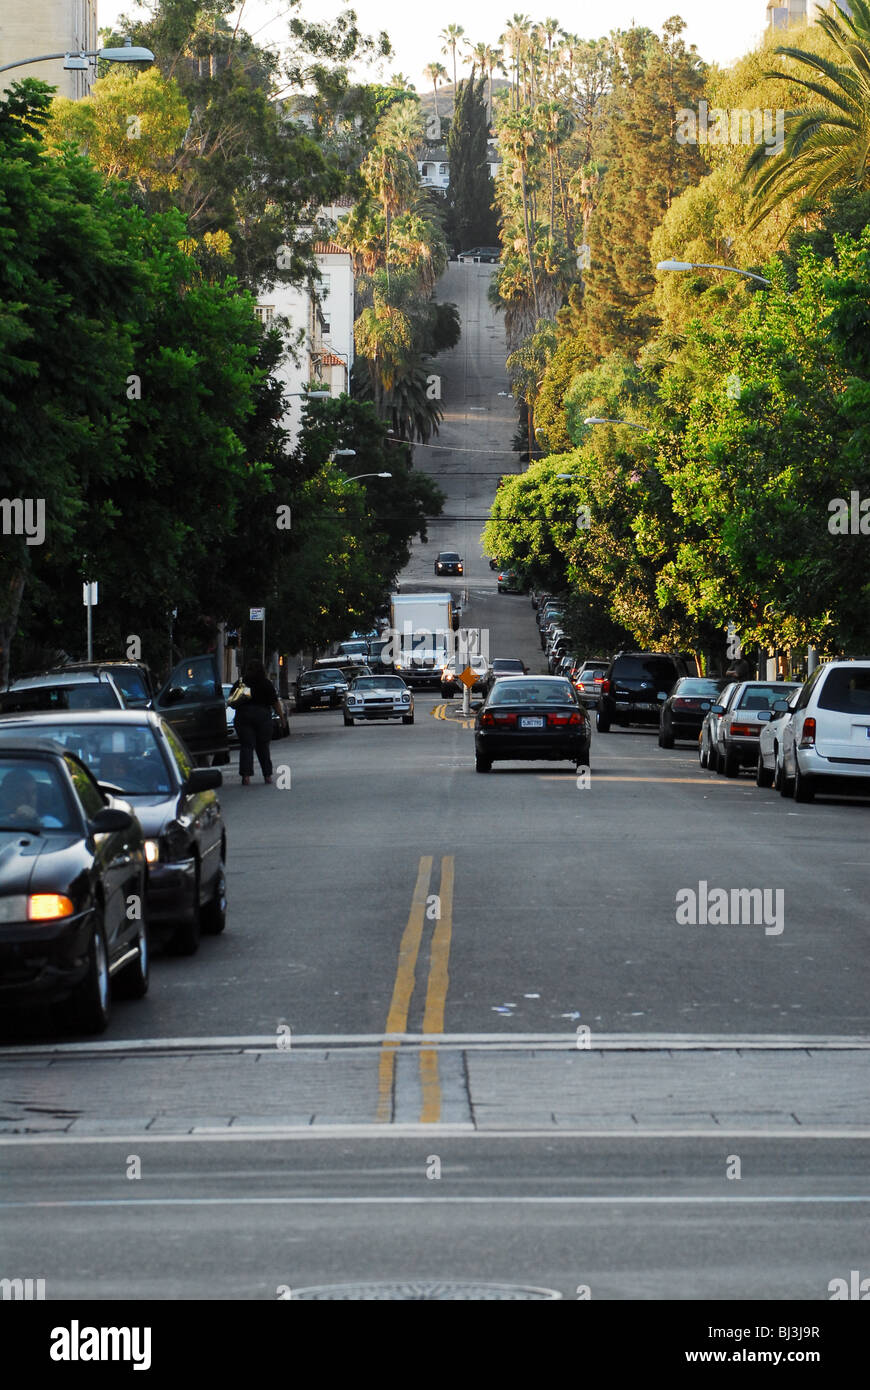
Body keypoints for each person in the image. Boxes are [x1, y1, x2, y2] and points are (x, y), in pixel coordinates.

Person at [231, 660, 286, 785]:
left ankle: (246, 776)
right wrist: (282, 718)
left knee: (246, 746)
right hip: (262, 716)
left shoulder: (241, 683)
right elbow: (275, 703)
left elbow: (232, 702)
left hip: (243, 716)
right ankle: (267, 775)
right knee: (263, 746)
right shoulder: (266, 683)